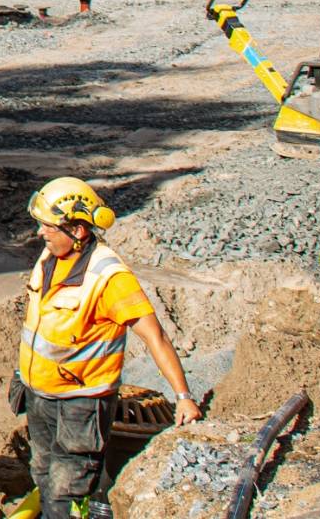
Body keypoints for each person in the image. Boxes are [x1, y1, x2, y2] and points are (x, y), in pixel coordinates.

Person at [17, 177, 204, 519]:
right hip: (39, 395)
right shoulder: (50, 257)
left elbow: (154, 336)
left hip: (80, 404)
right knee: (43, 475)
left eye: (48, 226)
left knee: (65, 491)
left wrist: (183, 397)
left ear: (78, 231)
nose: (41, 233)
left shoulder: (109, 277)